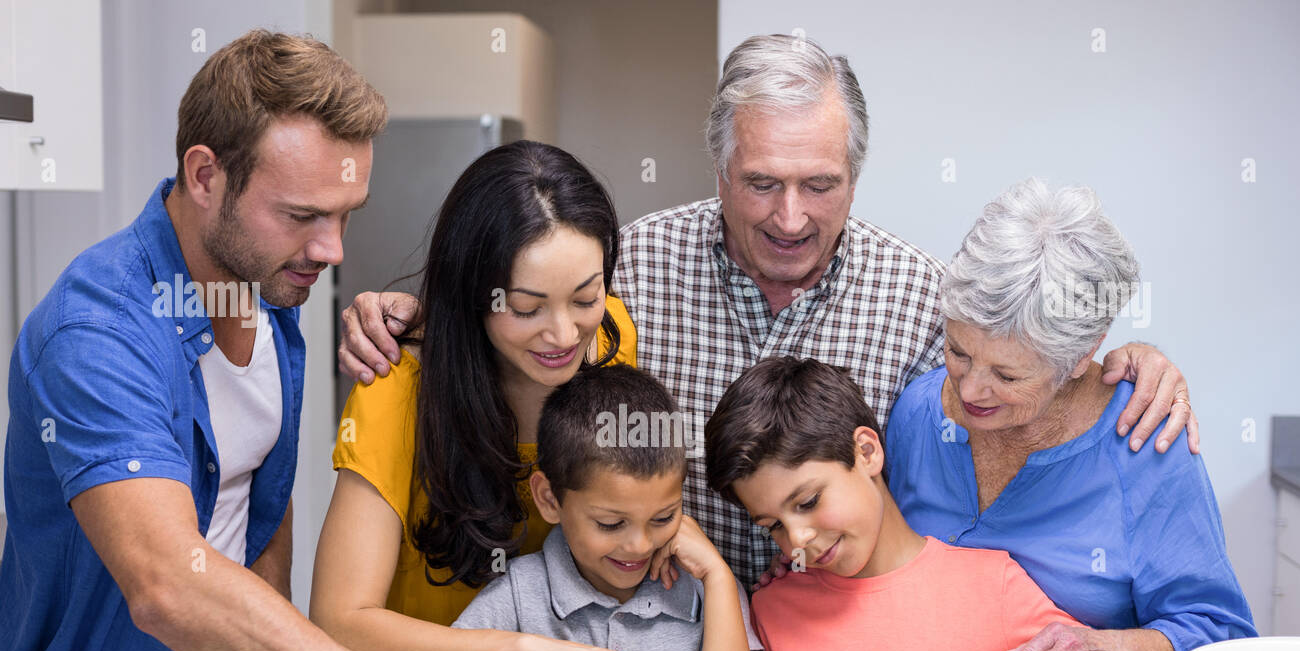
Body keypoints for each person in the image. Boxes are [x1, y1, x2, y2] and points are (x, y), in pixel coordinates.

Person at [0, 31, 645, 651]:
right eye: (303, 215)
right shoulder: (96, 334)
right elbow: (169, 585)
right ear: (206, 176)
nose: (333, 251)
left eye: (345, 216)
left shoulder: (268, 296)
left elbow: (257, 515)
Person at [336, 34, 1198, 591]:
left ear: (856, 176)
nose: (791, 218)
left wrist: (1119, 366)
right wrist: (419, 312)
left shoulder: (927, 300)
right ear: (718, 169)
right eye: (761, 184)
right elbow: (522, 328)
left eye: (820, 185)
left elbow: (1017, 396)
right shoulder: (626, 270)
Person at [311, 141, 673, 651]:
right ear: (472, 298)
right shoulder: (397, 391)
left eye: (586, 298)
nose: (564, 334)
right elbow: (340, 629)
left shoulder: (609, 342)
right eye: (527, 309)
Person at [885, 179, 1256, 651]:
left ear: (1083, 356)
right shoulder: (917, 415)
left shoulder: (1145, 438)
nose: (970, 388)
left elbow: (1221, 639)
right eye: (958, 351)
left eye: (1008, 376)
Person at [705, 356, 1080, 651]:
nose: (797, 539)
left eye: (808, 501)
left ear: (866, 452)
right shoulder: (773, 608)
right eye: (772, 525)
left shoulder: (996, 586)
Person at [451, 365, 757, 651]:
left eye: (664, 518)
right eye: (611, 523)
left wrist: (717, 578)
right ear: (549, 499)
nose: (640, 546)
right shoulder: (519, 591)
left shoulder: (706, 587)